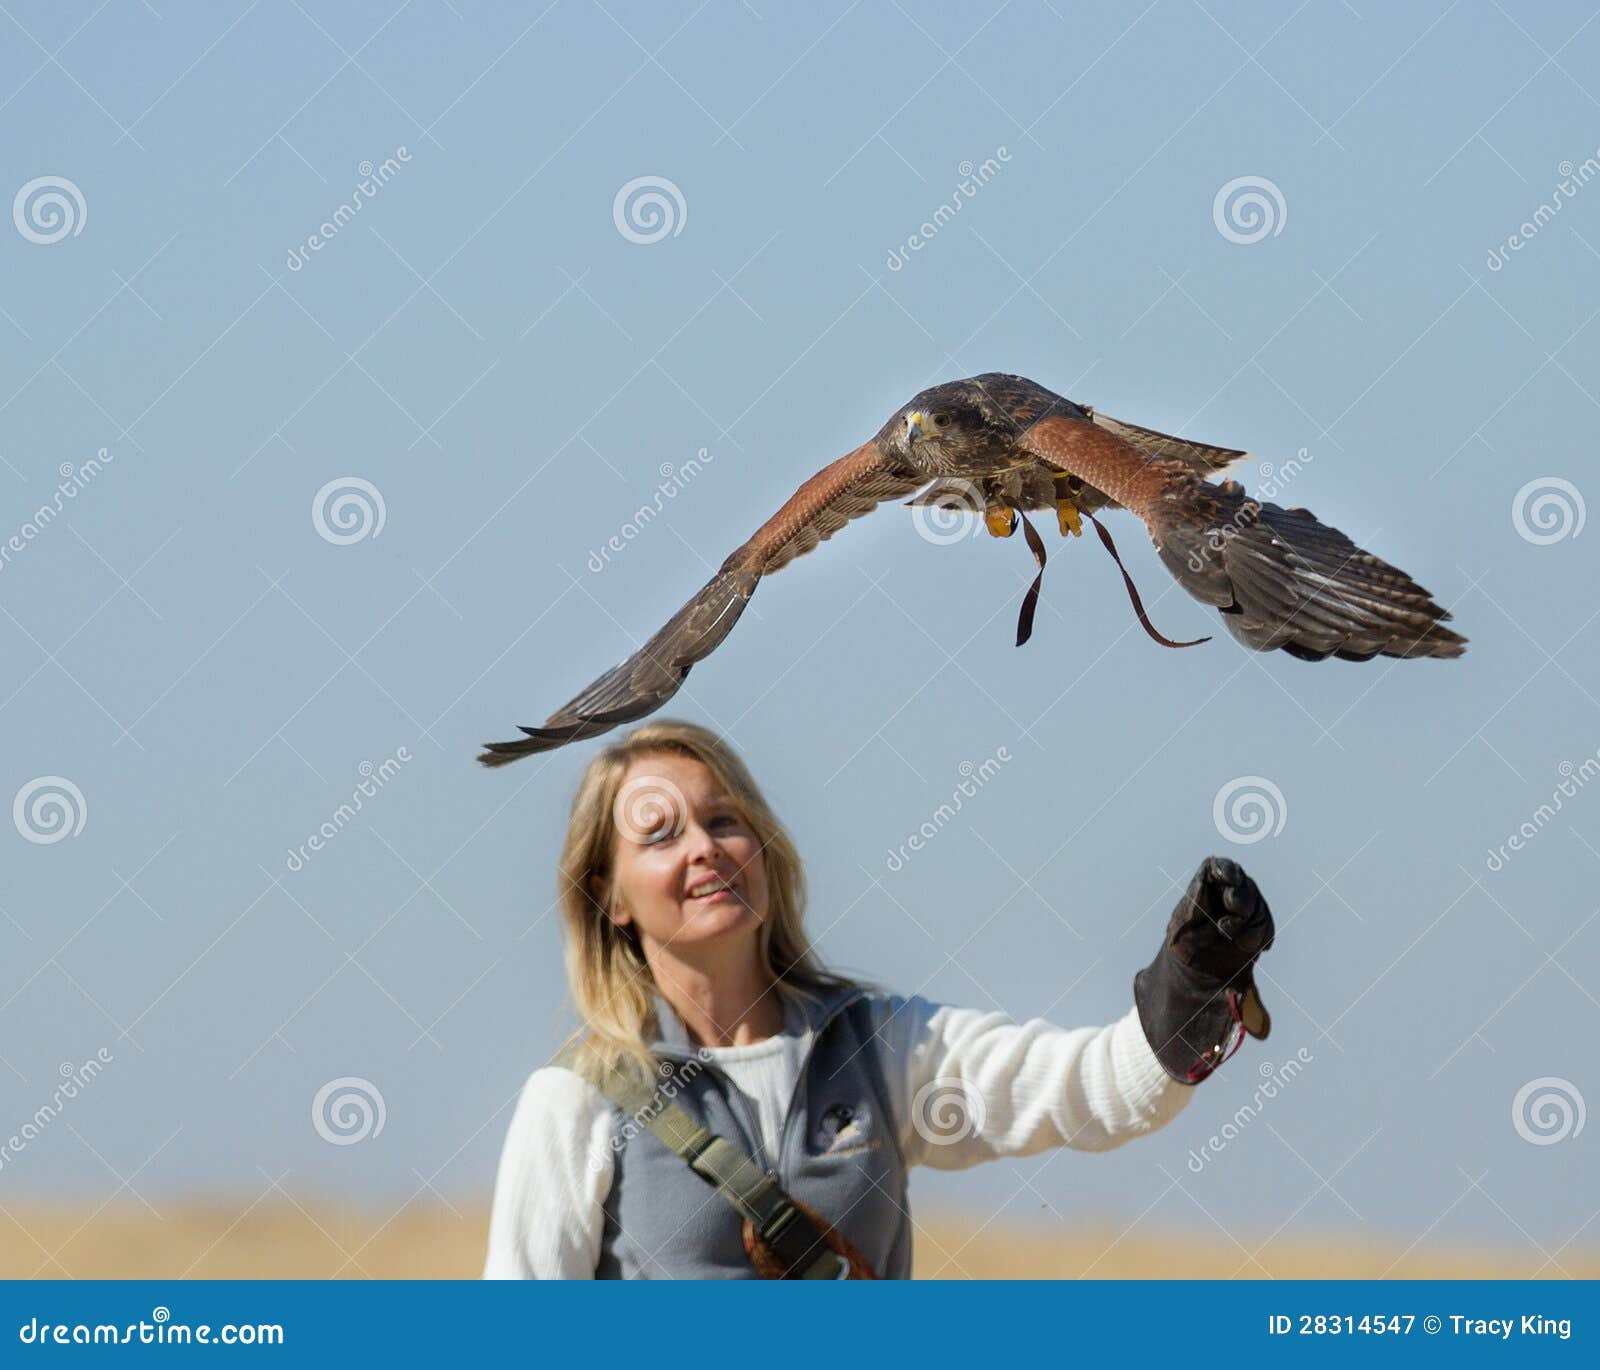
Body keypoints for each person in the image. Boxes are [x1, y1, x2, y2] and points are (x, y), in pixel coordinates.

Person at [483, 720, 1274, 1279]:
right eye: (659, 834)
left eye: (724, 819)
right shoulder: (576, 1105)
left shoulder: (876, 1046)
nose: (703, 847)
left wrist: (1188, 991)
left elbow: (1092, 1095)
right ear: (608, 897)